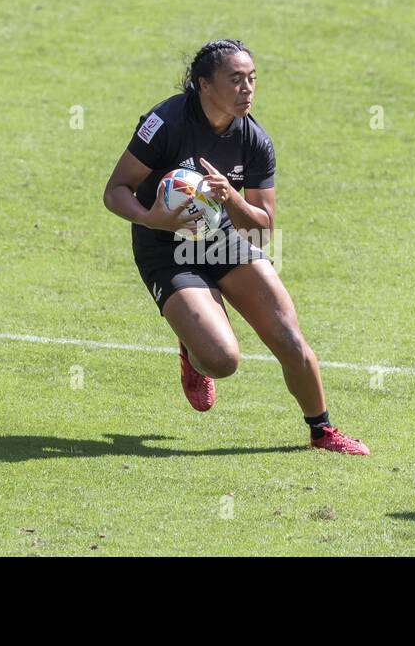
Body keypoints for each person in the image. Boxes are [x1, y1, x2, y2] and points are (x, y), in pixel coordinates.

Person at [101, 39, 368, 455]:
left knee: (288, 336)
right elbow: (115, 190)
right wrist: (153, 217)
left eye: (252, 79)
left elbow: (262, 228)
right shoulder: (166, 122)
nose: (247, 88)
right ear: (204, 85)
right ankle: (193, 349)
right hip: (165, 247)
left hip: (223, 238)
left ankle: (323, 432)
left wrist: (233, 199)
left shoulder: (254, 140)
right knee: (222, 360)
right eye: (236, 79)